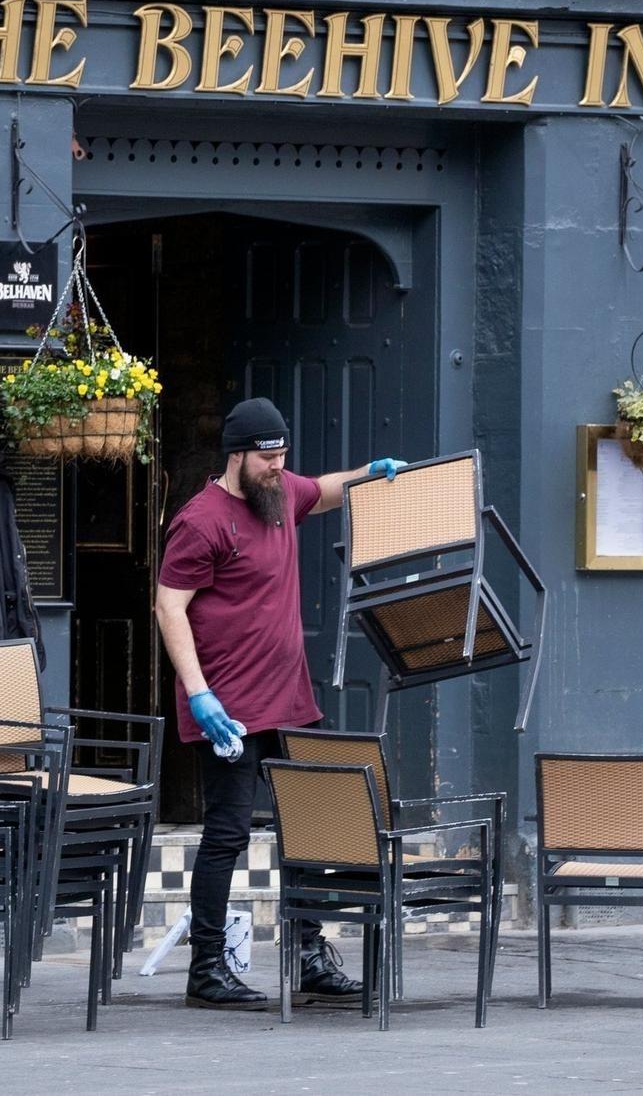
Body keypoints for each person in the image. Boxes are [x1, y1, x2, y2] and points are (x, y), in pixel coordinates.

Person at [154, 395, 407, 1010]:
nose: (277, 467)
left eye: (282, 455)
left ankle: (309, 955)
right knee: (227, 834)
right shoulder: (200, 520)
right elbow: (168, 607)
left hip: (289, 697)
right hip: (230, 708)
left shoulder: (278, 496)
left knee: (314, 826)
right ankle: (207, 969)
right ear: (236, 455)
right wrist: (199, 694)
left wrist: (367, 476)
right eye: (267, 458)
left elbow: (318, 490)